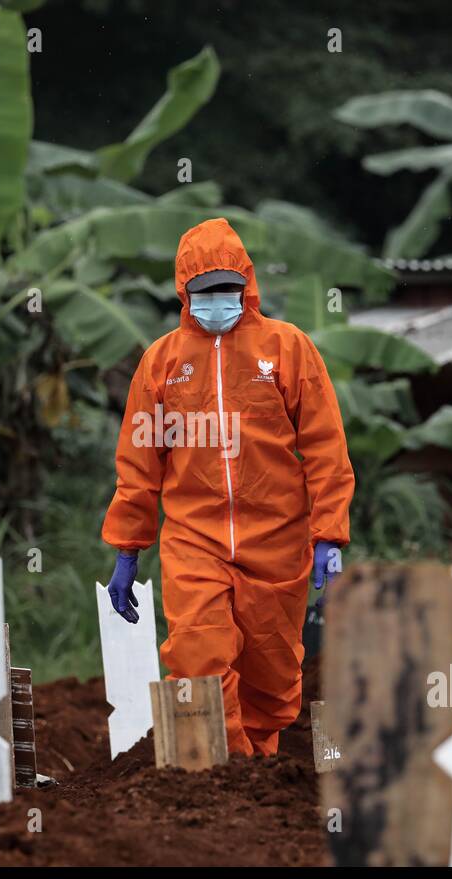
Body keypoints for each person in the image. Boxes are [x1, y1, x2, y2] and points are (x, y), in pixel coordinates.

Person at [102, 217, 354, 756]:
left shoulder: (289, 349)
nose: (217, 300)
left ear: (246, 286)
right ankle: (221, 771)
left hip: (278, 543)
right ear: (184, 292)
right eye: (203, 291)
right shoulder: (162, 362)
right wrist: (128, 549)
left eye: (227, 289)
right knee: (198, 654)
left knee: (274, 679)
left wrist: (327, 534)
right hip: (194, 540)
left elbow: (326, 447)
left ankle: (255, 769)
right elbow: (139, 462)